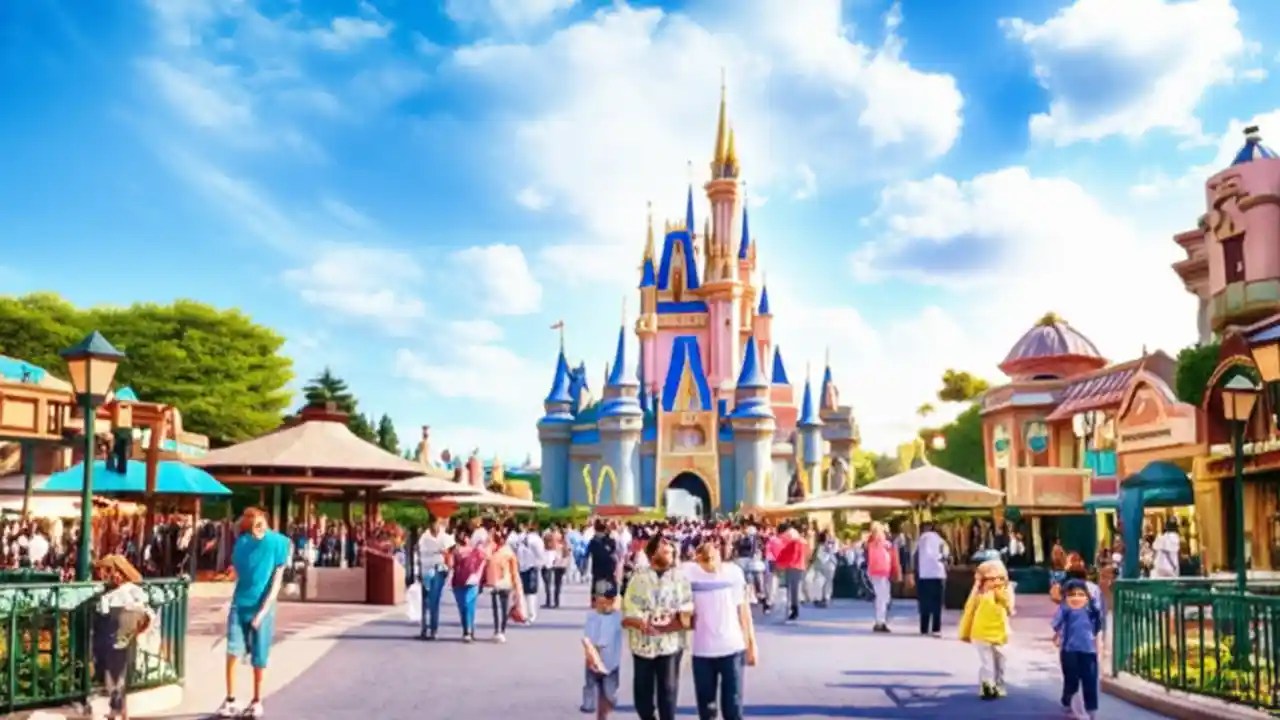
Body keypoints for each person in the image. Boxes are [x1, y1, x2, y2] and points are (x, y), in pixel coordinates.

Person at [217, 508, 291, 719]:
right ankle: (230, 699)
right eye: (252, 525)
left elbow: (276, 583)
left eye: (260, 522)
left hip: (261, 607)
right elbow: (239, 574)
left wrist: (262, 612)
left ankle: (257, 700)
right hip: (240, 604)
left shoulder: (278, 543)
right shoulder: (242, 544)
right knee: (233, 650)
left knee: (259, 655)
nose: (258, 528)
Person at [622, 534, 693, 720]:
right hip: (643, 644)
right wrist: (642, 622)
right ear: (653, 554)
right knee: (642, 697)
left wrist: (674, 621)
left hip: (671, 644)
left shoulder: (680, 579)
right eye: (665, 550)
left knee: (668, 692)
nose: (670, 554)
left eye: (671, 551)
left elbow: (688, 606)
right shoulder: (639, 578)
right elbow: (629, 607)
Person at [686, 538, 758, 720]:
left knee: (733, 706)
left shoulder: (733, 573)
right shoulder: (688, 574)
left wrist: (751, 644)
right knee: (706, 708)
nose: (711, 564)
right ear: (697, 560)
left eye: (714, 558)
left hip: (732, 648)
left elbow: (743, 611)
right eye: (706, 559)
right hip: (702, 651)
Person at [92, 554, 155, 720]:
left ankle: (118, 709)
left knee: (117, 674)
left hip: (120, 637)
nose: (111, 576)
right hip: (118, 636)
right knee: (117, 673)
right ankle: (120, 710)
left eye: (112, 571)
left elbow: (146, 614)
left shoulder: (128, 592)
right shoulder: (113, 594)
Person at [958, 558, 1015, 700]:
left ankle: (999, 684)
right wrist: (965, 630)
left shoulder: (1005, 591)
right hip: (981, 633)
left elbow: (1009, 606)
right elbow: (969, 609)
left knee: (1001, 661)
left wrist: (1000, 592)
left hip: (1000, 633)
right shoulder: (979, 593)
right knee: (987, 663)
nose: (995, 582)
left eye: (999, 578)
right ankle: (987, 686)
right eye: (991, 579)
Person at [1053, 579, 1103, 719]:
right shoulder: (1065, 608)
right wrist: (1057, 636)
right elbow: (1057, 624)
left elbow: (1098, 628)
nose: (1076, 598)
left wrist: (1099, 646)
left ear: (1087, 596)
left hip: (1089, 650)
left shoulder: (1092, 609)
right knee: (1071, 678)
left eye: (1081, 594)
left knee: (1090, 680)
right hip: (1069, 649)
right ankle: (1069, 702)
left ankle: (1091, 708)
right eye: (1072, 595)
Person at [581, 578, 624, 720]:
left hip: (611, 663)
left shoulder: (618, 618)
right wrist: (591, 655)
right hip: (593, 661)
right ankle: (597, 713)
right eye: (600, 601)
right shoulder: (592, 617)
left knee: (609, 694)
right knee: (592, 689)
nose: (604, 605)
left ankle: (606, 708)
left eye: (608, 602)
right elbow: (587, 638)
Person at [416, 516, 454, 640]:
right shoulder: (424, 537)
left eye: (436, 523)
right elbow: (420, 553)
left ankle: (433, 629)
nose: (435, 526)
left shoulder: (444, 537)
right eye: (432, 524)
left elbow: (450, 552)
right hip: (426, 571)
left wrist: (447, 567)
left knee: (434, 600)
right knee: (425, 601)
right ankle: (424, 628)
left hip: (438, 570)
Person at [451, 528, 487, 643]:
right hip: (458, 582)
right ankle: (467, 629)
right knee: (463, 607)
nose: (464, 539)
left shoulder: (477, 551)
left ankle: (468, 631)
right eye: (461, 536)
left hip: (472, 582)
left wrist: (480, 579)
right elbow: (451, 565)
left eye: (466, 536)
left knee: (468, 606)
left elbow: (484, 562)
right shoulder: (456, 551)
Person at [485, 529, 522, 643]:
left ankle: (501, 631)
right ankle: (497, 630)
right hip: (494, 583)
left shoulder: (508, 552)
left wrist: (517, 587)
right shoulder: (491, 549)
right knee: (496, 608)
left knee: (503, 608)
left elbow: (514, 571)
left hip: (504, 583)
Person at [915, 522, 949, 637]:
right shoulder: (941, 541)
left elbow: (915, 556)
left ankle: (924, 628)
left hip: (924, 574)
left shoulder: (921, 540)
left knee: (924, 602)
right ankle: (936, 628)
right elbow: (945, 556)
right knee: (937, 603)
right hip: (938, 574)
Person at [865, 522, 901, 632]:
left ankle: (881, 620)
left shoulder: (879, 544)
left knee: (883, 597)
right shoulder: (879, 544)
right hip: (879, 573)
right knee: (882, 597)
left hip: (881, 572)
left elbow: (892, 558)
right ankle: (880, 621)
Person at [773, 523, 807, 622]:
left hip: (793, 566)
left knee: (792, 589)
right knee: (793, 589)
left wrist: (780, 563)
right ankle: (793, 609)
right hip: (796, 566)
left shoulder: (795, 543)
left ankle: (793, 610)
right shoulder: (799, 542)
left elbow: (790, 555)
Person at [514, 522, 545, 624]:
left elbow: (515, 550)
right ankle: (531, 615)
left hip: (521, 566)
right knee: (531, 593)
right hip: (531, 566)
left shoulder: (520, 538)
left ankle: (524, 614)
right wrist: (540, 564)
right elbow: (540, 554)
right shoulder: (536, 539)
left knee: (522, 592)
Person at [587, 519, 619, 586]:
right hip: (608, 568)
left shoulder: (593, 541)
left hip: (598, 569)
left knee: (597, 587)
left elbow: (589, 552)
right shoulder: (610, 541)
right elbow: (613, 551)